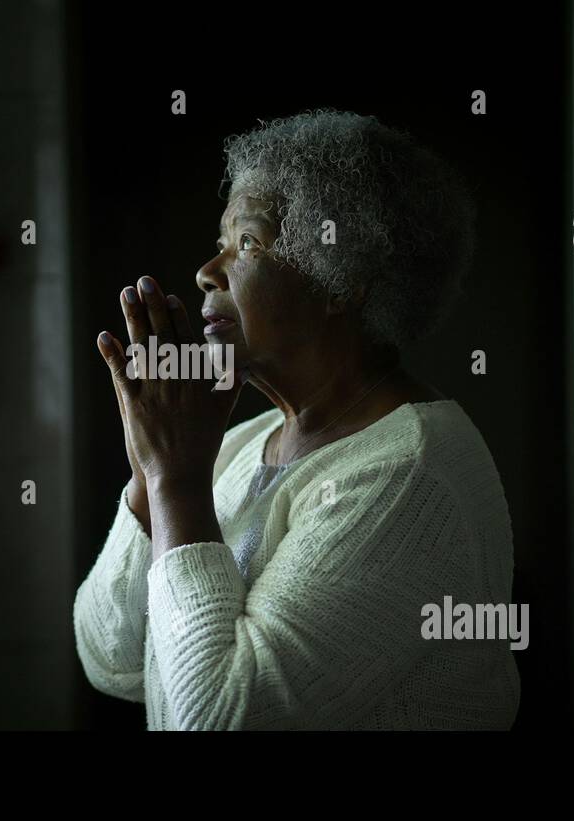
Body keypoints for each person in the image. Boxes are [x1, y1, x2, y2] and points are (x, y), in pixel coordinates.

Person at [74, 109, 520, 729]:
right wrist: (152, 480)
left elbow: (215, 718)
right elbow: (110, 661)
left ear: (342, 281)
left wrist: (176, 481)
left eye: (248, 243)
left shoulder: (405, 475)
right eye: (222, 242)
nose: (208, 270)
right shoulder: (234, 446)